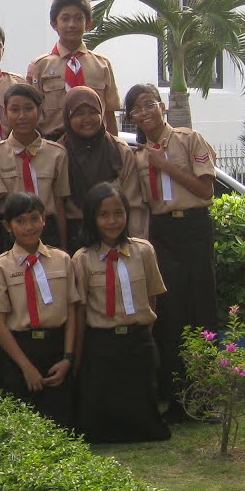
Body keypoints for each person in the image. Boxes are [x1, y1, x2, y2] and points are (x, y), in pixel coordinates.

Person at [123, 82, 219, 422]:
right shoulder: (135, 157)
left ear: (161, 106)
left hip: (193, 227)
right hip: (161, 234)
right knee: (169, 315)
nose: (145, 112)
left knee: (202, 310)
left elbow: (206, 191)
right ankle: (174, 398)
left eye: (150, 103)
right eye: (137, 108)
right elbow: (140, 206)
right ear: (131, 117)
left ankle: (205, 397)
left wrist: (166, 166)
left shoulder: (188, 139)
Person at [70, 181, 168, 443]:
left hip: (137, 340)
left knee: (141, 405)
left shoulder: (143, 251)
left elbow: (151, 296)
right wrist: (76, 356)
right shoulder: (82, 259)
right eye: (104, 215)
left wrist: (145, 330)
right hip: (102, 342)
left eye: (118, 213)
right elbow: (80, 309)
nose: (112, 221)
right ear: (92, 218)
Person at [0, 192, 78, 427]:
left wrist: (67, 358)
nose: (29, 227)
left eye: (34, 218)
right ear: (8, 226)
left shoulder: (63, 260)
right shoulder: (1, 266)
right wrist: (26, 367)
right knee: (20, 427)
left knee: (61, 427)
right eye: (20, 221)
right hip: (18, 353)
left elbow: (71, 312)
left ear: (44, 219)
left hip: (55, 352)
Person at [60, 87, 147, 249]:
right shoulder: (59, 152)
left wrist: (135, 244)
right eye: (79, 114)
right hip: (75, 237)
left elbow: (134, 203)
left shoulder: (119, 150)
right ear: (67, 116)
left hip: (117, 235)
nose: (87, 119)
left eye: (93, 112)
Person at [27, 0, 121, 140]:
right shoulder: (40, 66)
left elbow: (109, 113)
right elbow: (32, 113)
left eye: (78, 18)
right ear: (54, 24)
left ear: (88, 23)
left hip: (95, 144)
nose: (72, 24)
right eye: (65, 19)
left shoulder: (102, 65)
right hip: (54, 143)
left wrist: (115, 150)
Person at [0, 83, 70, 250]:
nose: (22, 116)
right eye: (14, 110)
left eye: (28, 108)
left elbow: (59, 202)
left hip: (47, 229)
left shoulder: (57, 153)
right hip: (10, 231)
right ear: (5, 113)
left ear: (39, 111)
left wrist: (63, 244)